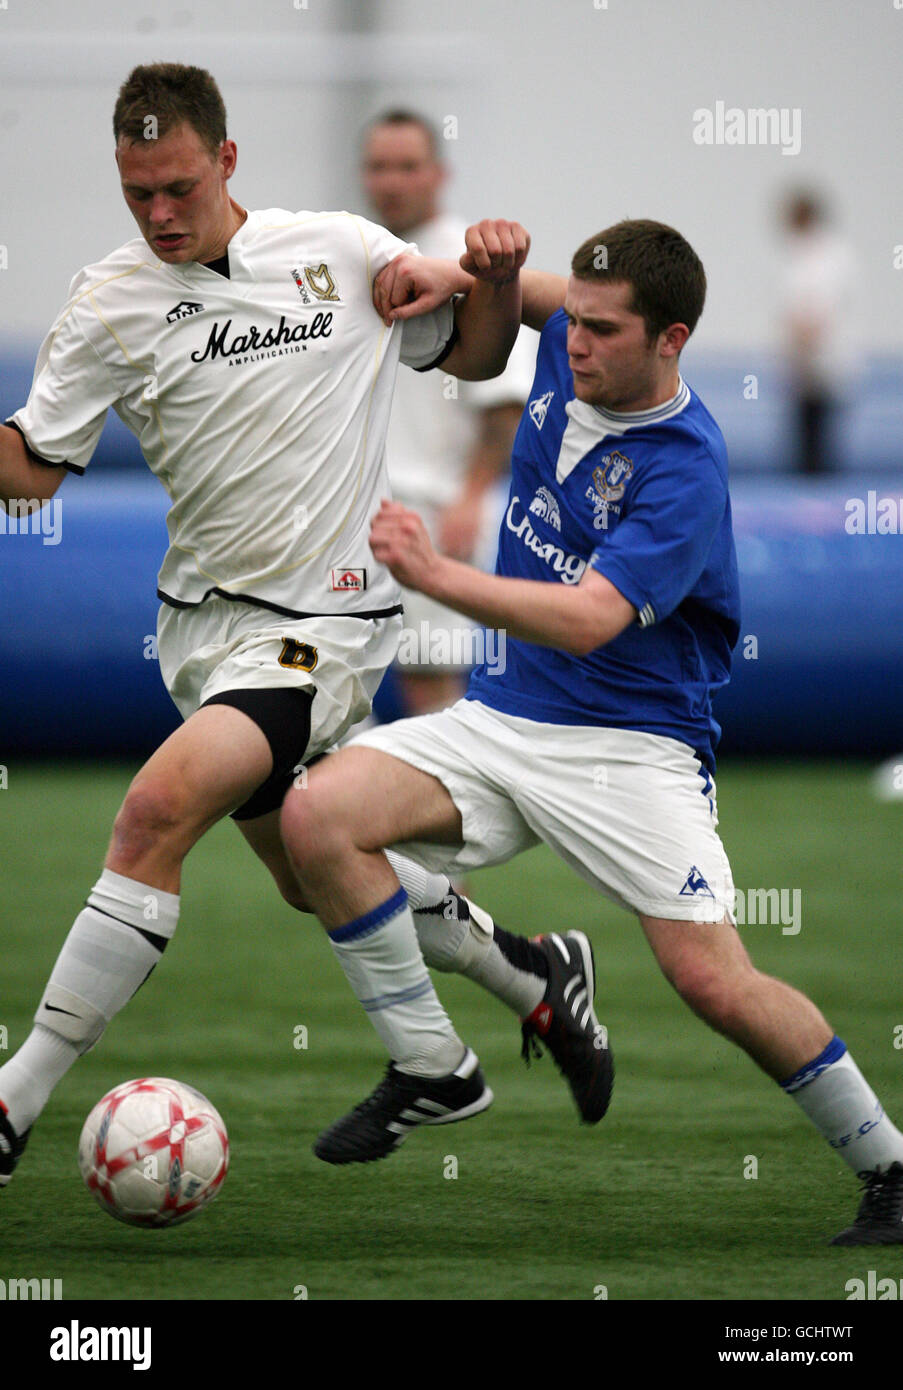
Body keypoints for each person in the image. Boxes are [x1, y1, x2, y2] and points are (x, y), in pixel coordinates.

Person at [0, 64, 607, 1190]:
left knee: (152, 817)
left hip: (325, 628)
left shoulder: (337, 248)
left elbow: (471, 356)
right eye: (138, 194)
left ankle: (14, 1099)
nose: (161, 212)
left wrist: (495, 277)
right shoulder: (106, 303)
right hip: (201, 637)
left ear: (227, 161)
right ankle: (532, 975)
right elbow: (29, 477)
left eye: (178, 185)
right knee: (316, 870)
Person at [279, 218, 903, 1245]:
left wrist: (439, 576)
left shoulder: (684, 467)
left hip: (633, 750)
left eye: (605, 332)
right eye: (574, 322)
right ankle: (440, 1059)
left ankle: (887, 1163)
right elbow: (530, 303)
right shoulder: (579, 326)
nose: (575, 345)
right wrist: (470, 270)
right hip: (506, 718)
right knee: (315, 824)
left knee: (714, 982)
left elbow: (590, 619)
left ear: (673, 339)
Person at [361, 109, 536, 714]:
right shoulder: (361, 256)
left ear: (439, 173)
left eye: (407, 166)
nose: (393, 181)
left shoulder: (475, 261)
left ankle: (451, 806)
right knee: (333, 675)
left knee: (431, 681)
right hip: (361, 504)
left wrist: (471, 497)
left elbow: (506, 404)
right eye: (380, 166)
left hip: (436, 508)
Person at [778, 188, 857, 475]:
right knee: (808, 445)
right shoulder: (810, 255)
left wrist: (800, 360)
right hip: (811, 365)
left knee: (816, 449)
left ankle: (817, 507)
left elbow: (816, 316)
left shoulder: (822, 258)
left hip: (819, 366)